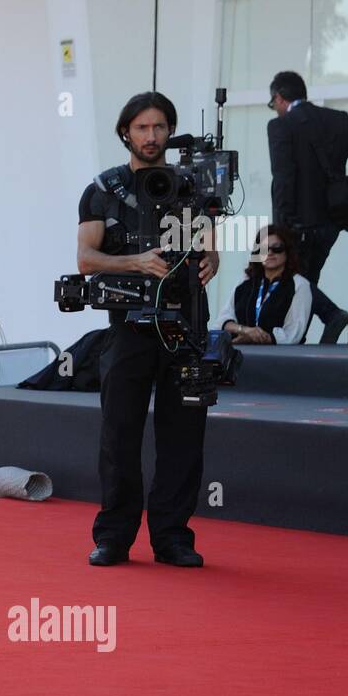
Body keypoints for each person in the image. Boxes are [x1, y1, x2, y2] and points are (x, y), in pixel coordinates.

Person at [76, 91, 218, 569]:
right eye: (142, 127)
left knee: (183, 438)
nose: (151, 136)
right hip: (128, 331)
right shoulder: (103, 188)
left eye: (159, 127)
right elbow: (85, 259)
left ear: (169, 132)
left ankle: (173, 538)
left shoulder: (192, 187)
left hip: (186, 327)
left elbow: (209, 244)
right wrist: (134, 261)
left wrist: (213, 256)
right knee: (119, 437)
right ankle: (113, 538)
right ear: (126, 132)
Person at [267, 70, 348, 343]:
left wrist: (280, 228)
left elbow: (283, 179)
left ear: (279, 98)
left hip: (296, 224)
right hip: (331, 222)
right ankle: (299, 339)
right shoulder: (337, 120)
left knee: (292, 280)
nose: (275, 109)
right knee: (305, 281)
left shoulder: (281, 126)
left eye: (273, 104)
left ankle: (331, 315)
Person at [216, 225, 312, 346]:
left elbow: (293, 333)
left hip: (279, 358)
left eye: (277, 248)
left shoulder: (299, 284)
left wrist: (257, 337)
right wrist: (245, 331)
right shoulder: (245, 281)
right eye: (264, 249)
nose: (270, 253)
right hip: (239, 353)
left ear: (287, 252)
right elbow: (222, 320)